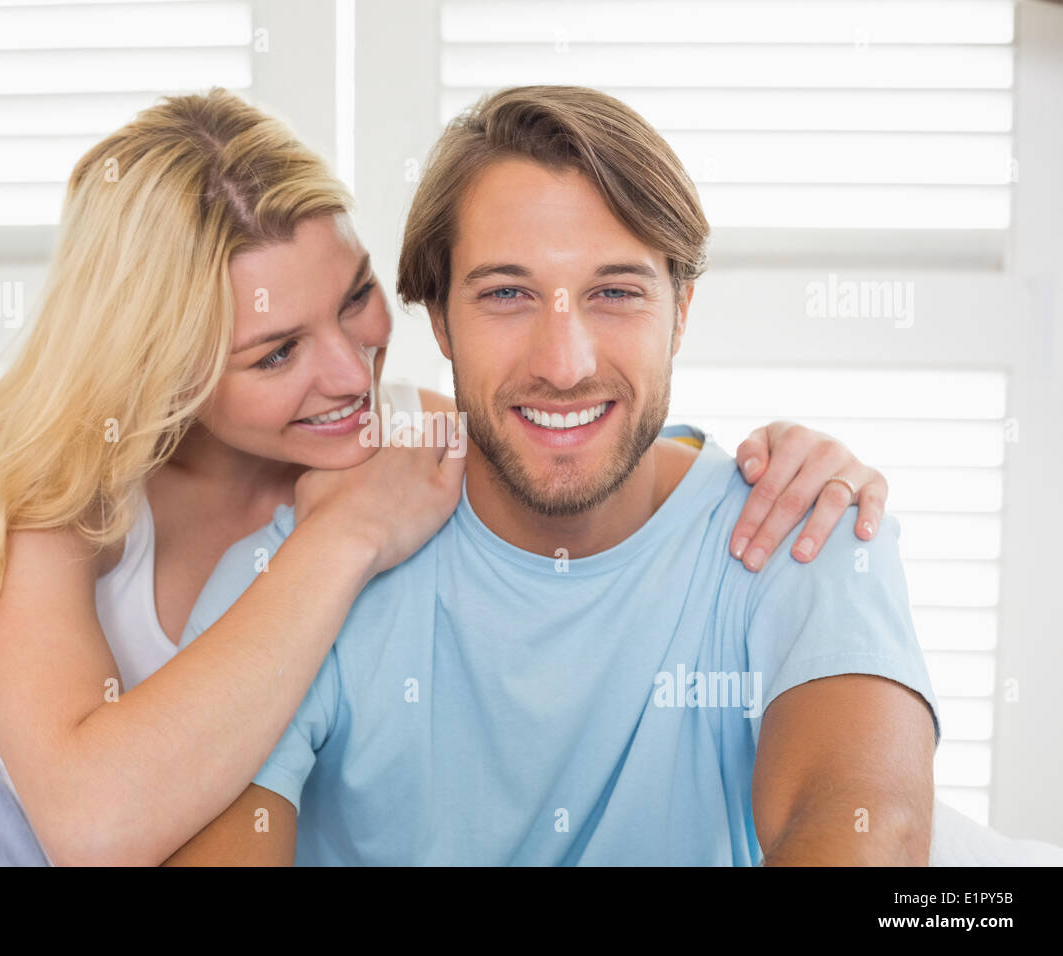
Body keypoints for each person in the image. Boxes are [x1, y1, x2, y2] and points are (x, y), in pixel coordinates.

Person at [0, 90, 892, 866]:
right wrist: (342, 539)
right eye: (276, 352)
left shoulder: (405, 438)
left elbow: (569, 423)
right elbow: (93, 825)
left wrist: (792, 465)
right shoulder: (60, 502)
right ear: (169, 374)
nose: (348, 369)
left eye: (358, 298)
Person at [167, 86, 940, 866]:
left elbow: (867, 831)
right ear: (438, 319)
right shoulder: (290, 580)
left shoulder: (808, 529)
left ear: (681, 309)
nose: (563, 366)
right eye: (507, 294)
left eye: (615, 293)